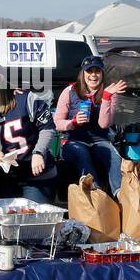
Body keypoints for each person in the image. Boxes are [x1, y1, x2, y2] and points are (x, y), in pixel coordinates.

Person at [0, 58, 58, 205]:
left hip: (35, 175)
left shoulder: (25, 98)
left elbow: (47, 128)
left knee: (34, 222)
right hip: (4, 178)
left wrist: (38, 153)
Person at [54, 55, 127, 195]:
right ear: (83, 73)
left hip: (100, 140)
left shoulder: (110, 92)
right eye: (89, 71)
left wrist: (106, 97)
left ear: (102, 73)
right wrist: (73, 122)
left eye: (97, 71)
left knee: (114, 157)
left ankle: (122, 196)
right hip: (74, 140)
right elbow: (57, 123)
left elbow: (104, 124)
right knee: (82, 154)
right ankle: (95, 193)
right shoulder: (70, 91)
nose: (93, 75)